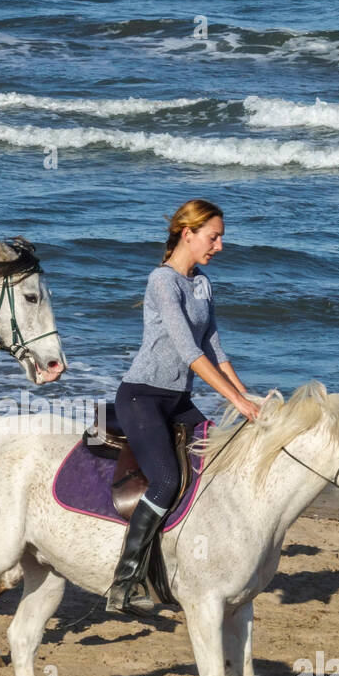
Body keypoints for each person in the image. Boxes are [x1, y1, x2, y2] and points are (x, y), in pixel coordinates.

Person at [106, 199, 260, 614]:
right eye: (214, 236)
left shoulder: (202, 283)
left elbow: (213, 346)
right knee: (166, 480)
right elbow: (190, 352)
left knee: (216, 460)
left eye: (221, 236)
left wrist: (250, 398)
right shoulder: (163, 281)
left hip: (178, 400)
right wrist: (235, 401)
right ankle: (125, 580)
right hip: (142, 397)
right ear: (187, 234)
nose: (221, 245)